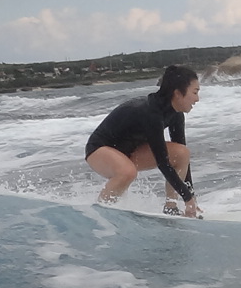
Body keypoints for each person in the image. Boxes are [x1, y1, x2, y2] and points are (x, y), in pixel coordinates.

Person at [85, 65, 202, 217]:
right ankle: (101, 213)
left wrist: (191, 196)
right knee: (127, 172)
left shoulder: (176, 114)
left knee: (182, 153)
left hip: (131, 151)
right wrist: (187, 198)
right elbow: (162, 162)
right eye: (195, 92)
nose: (197, 99)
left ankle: (170, 207)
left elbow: (181, 161)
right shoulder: (150, 113)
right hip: (99, 149)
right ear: (178, 93)